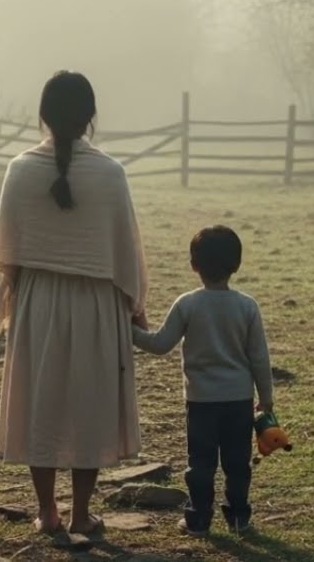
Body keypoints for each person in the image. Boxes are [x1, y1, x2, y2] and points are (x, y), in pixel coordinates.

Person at [0, 70, 148, 536]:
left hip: (39, 303)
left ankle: (47, 512)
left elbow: (8, 257)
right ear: (90, 117)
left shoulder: (19, 170)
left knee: (43, 404)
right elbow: (126, 254)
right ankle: (80, 513)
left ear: (43, 115)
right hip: (96, 305)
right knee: (89, 407)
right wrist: (136, 306)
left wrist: (11, 306)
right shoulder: (110, 174)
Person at [131, 225, 274, 537]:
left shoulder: (188, 304)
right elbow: (260, 359)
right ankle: (239, 516)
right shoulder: (247, 306)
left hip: (200, 402)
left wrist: (128, 331)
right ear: (236, 265)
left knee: (200, 463)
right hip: (239, 401)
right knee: (237, 463)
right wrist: (266, 397)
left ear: (194, 264)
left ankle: (198, 519)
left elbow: (159, 344)